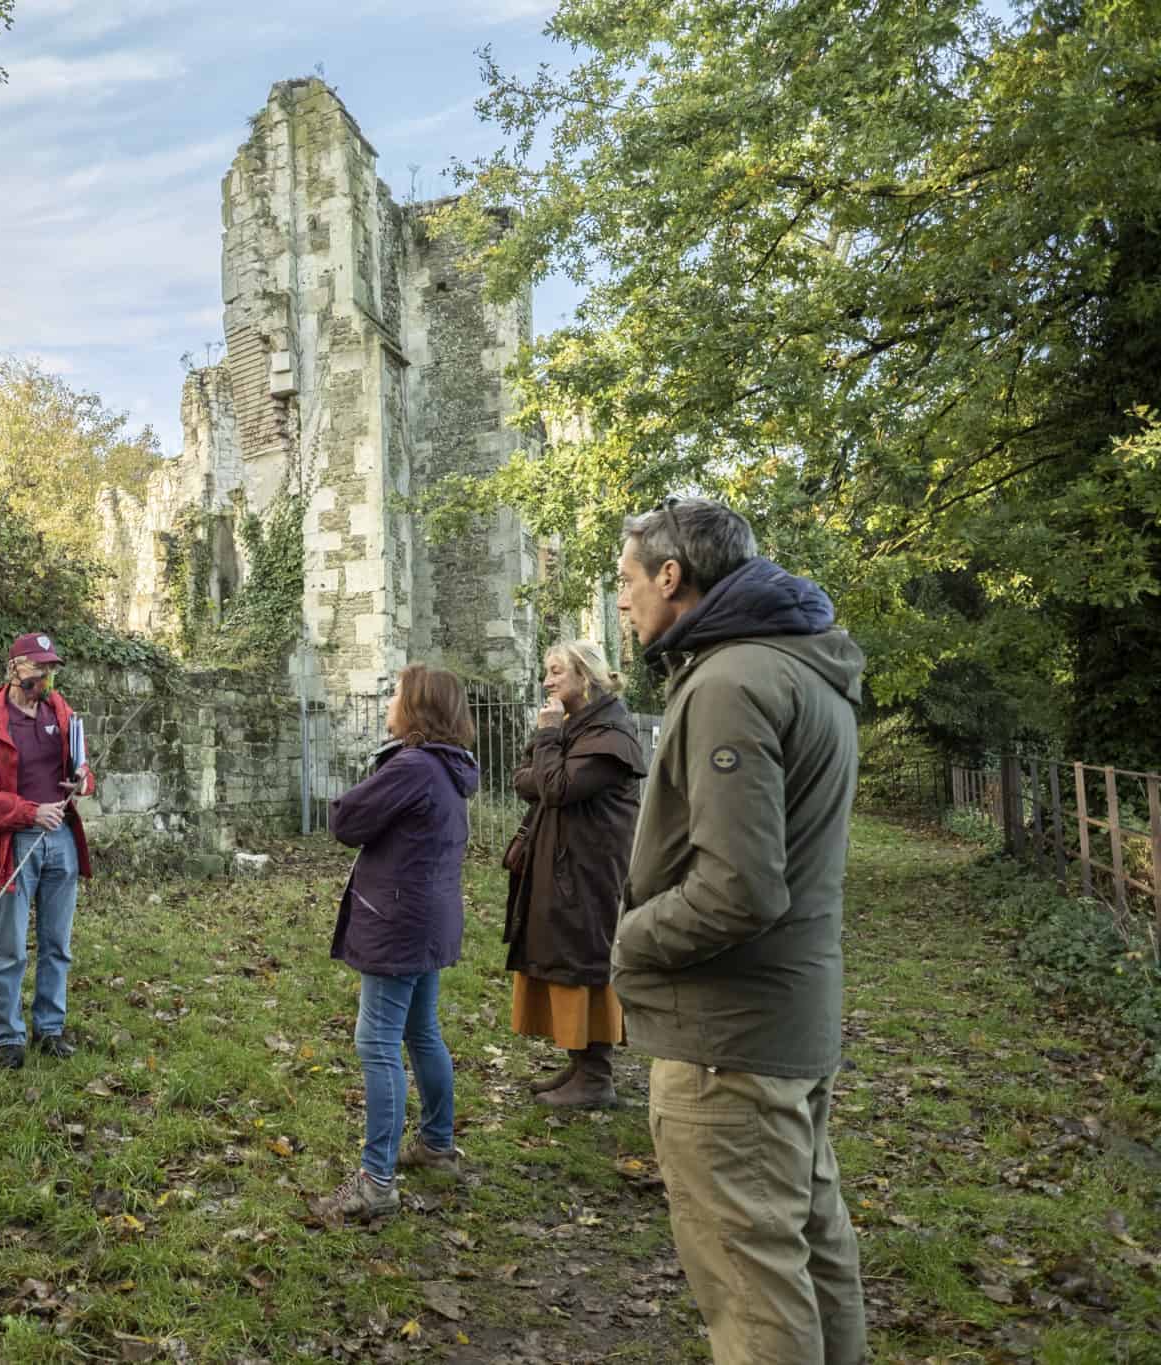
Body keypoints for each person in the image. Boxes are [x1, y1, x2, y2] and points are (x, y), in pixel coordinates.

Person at [610, 497, 868, 1363]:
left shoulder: (730, 681)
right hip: (787, 1023)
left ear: (671, 576)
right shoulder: (803, 668)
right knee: (807, 1247)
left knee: (751, 1288)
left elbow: (739, 888)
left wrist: (629, 940)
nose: (622, 601)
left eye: (627, 580)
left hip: (731, 1042)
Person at [311, 663, 479, 1223]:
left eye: (397, 695)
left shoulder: (412, 766)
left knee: (377, 1042)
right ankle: (436, 1144)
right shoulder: (450, 767)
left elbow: (346, 821)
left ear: (418, 709)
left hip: (399, 920)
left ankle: (376, 1182)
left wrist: (354, 796)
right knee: (421, 1030)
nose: (389, 703)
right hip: (428, 916)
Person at [504, 640, 645, 1109]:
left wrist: (547, 745)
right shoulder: (571, 728)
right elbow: (526, 779)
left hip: (590, 870)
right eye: (546, 671)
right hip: (563, 862)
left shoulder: (610, 735)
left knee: (585, 958)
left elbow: (556, 786)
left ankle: (597, 1076)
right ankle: (579, 1065)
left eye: (557, 672)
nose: (547, 681)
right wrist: (548, 758)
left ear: (585, 677)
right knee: (562, 954)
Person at [0, 632, 98, 1071]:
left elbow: (85, 770)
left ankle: (50, 1029)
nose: (46, 675)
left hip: (61, 842)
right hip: (13, 844)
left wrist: (82, 781)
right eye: (38, 667)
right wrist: (29, 812)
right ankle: (9, 1039)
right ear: (14, 668)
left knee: (57, 944)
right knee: (12, 947)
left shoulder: (60, 711)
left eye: (50, 667)